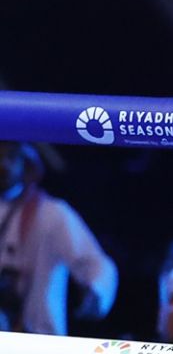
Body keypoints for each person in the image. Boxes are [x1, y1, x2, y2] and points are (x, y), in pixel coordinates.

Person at [0, 140, 116, 336]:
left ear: (26, 164)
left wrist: (94, 291)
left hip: (38, 334)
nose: (3, 165)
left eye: (10, 157)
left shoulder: (52, 213)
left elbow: (94, 262)